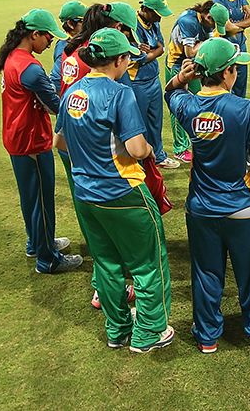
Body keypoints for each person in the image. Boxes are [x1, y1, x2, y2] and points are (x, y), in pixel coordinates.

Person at [165, 37, 250, 356]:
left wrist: (183, 77)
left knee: (206, 273)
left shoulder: (187, 106)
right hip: (244, 209)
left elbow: (171, 92)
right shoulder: (245, 109)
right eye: (235, 67)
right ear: (227, 73)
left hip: (201, 208)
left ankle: (207, 336)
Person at [55, 28, 174, 353]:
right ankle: (149, 333)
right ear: (119, 59)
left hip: (86, 195)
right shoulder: (120, 93)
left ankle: (117, 330)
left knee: (106, 264)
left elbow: (60, 142)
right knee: (149, 263)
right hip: (124, 192)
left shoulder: (72, 92)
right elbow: (136, 149)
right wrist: (149, 149)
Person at [0, 8, 82, 274]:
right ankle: (48, 259)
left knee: (30, 197)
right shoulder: (30, 68)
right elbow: (57, 105)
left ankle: (36, 242)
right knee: (43, 200)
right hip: (32, 140)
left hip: (16, 137)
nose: (50, 43)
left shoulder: (13, 57)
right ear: (35, 35)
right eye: (48, 38)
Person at [164, 1, 228, 162]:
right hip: (179, 65)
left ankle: (197, 139)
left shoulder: (208, 22)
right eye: (213, 23)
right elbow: (189, 51)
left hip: (196, 63)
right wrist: (207, 44)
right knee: (178, 106)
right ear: (207, 15)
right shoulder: (188, 21)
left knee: (198, 102)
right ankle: (180, 148)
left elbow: (207, 44)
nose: (213, 27)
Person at [130, 0, 179, 169]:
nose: (160, 17)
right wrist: (152, 52)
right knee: (139, 123)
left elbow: (161, 47)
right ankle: (141, 160)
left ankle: (158, 156)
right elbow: (138, 58)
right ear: (145, 9)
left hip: (152, 78)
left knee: (155, 120)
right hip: (136, 81)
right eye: (157, 12)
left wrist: (151, 52)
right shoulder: (133, 25)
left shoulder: (153, 22)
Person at [213, 0, 250, 98]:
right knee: (224, 83)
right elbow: (227, 28)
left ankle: (238, 112)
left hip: (241, 45)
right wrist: (242, 25)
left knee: (241, 82)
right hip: (225, 47)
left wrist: (235, 26)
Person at [49, 0, 87, 93]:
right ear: (70, 24)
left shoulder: (82, 39)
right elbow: (57, 79)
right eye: (83, 21)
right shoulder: (64, 46)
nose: (88, 25)